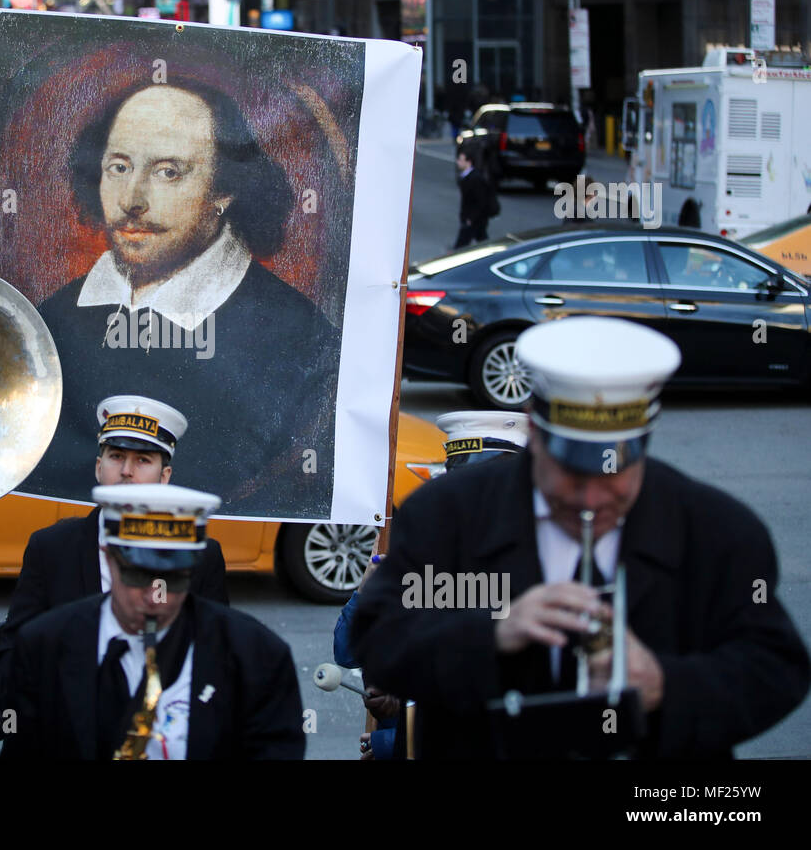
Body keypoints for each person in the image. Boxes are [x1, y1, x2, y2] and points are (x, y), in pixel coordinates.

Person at [351, 317, 810, 759]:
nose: (591, 495)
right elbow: (379, 640)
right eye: (571, 469)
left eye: (614, 472)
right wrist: (493, 634)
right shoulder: (447, 516)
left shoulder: (714, 530)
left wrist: (667, 685)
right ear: (534, 427)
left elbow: (776, 669)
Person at [27, 79, 342, 518]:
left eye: (168, 172)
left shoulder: (301, 339)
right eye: (118, 167)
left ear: (224, 189)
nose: (133, 201)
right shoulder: (51, 320)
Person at [0, 483, 305, 760]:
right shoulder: (44, 643)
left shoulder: (258, 656)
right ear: (108, 557)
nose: (156, 596)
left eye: (173, 578)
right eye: (138, 575)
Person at [339, 410, 529, 760]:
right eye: (464, 484)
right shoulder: (430, 548)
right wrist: (365, 594)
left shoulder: (537, 562)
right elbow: (350, 652)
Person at [8, 395, 227, 632]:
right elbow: (14, 645)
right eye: (116, 456)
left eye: (142, 460)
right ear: (98, 468)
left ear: (164, 477)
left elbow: (216, 646)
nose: (126, 471)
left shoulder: (202, 555)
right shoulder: (50, 547)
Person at [453, 146, 492, 248]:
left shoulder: (475, 178)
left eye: (461, 160)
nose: (458, 162)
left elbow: (481, 201)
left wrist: (470, 217)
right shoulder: (468, 177)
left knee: (461, 246)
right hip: (473, 218)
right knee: (482, 241)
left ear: (468, 162)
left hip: (473, 219)